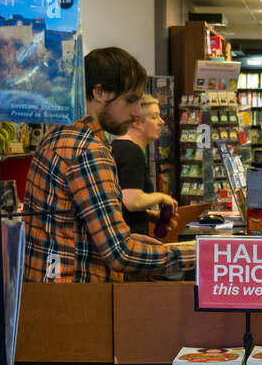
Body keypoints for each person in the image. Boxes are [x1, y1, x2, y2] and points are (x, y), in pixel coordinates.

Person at [22, 47, 194, 283]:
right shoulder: (88, 151)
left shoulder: (58, 134)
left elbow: (72, 227)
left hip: (49, 291)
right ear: (99, 92)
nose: (136, 112)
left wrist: (127, 236)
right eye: (131, 100)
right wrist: (200, 253)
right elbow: (120, 254)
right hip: (78, 301)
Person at [111, 94, 178, 238]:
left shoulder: (118, 147)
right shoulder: (132, 152)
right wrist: (160, 197)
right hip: (130, 239)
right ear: (136, 122)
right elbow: (132, 201)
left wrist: (147, 215)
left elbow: (120, 204)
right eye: (154, 117)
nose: (161, 122)